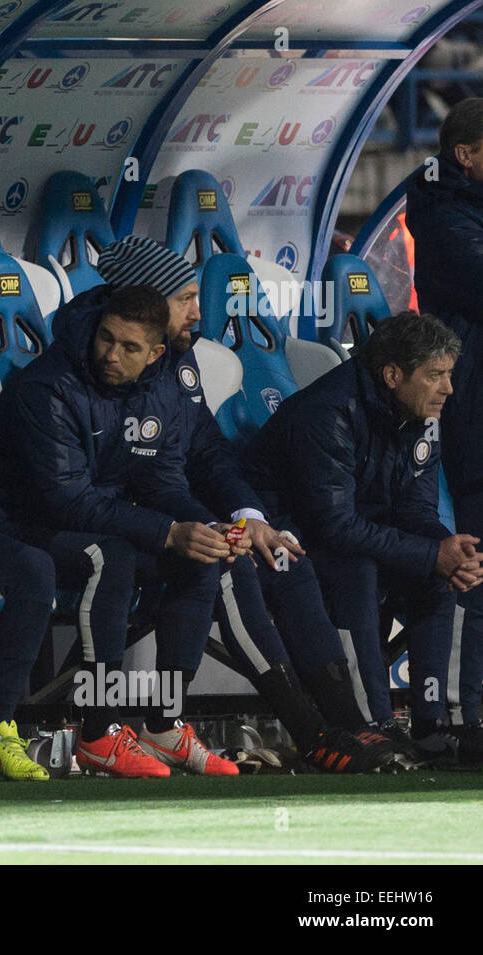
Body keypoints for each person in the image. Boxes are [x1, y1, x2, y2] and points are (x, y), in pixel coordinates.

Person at [93, 235, 403, 771]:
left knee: (283, 554)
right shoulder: (101, 367)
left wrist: (249, 516)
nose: (198, 311)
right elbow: (136, 477)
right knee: (231, 564)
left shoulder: (174, 364)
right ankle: (312, 736)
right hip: (116, 521)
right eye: (186, 299)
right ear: (145, 304)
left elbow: (208, 453)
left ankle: (349, 724)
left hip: (166, 512)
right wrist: (196, 525)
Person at [0, 283, 241, 777]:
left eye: (129, 348)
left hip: (91, 520)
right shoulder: (49, 386)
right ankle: (97, 730)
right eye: (106, 338)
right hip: (19, 524)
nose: (111, 354)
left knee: (200, 561)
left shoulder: (160, 388)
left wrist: (206, 526)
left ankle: (165, 724)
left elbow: (161, 479)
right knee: (113, 556)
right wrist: (169, 531)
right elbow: (65, 499)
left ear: (155, 354)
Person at [243, 311, 482, 762]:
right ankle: (371, 724)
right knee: (359, 570)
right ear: (393, 375)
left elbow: (415, 510)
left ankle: (436, 725)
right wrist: (431, 552)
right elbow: (332, 527)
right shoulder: (328, 412)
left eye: (448, 375)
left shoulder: (421, 413)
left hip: (352, 531)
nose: (448, 389)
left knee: (442, 574)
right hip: (290, 540)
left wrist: (448, 551)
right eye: (436, 376)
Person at [405, 96, 483, 758]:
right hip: (471, 416)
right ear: (466, 156)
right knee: (475, 565)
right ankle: (458, 721)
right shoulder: (447, 221)